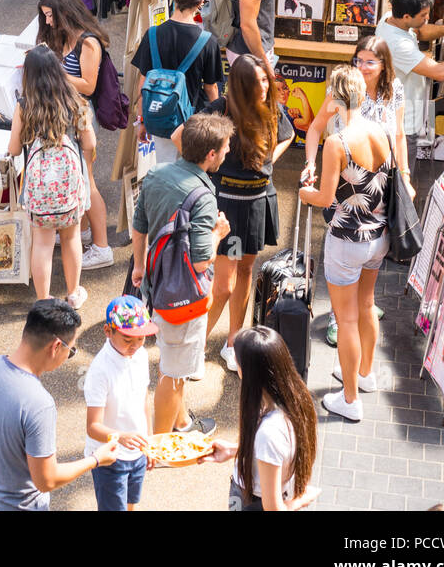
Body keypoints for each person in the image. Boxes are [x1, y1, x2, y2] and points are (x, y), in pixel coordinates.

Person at [0, 298, 117, 511]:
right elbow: (46, 481)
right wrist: (96, 459)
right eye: (72, 350)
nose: (69, 355)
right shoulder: (39, 404)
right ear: (57, 346)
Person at [299, 66, 392, 422]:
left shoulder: (337, 143)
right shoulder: (380, 132)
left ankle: (350, 399)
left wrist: (305, 192)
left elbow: (325, 198)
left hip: (346, 241)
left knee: (346, 320)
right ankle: (364, 374)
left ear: (335, 98)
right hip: (378, 236)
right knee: (367, 306)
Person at [302, 34, 406, 349]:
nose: (361, 66)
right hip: (345, 186)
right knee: (350, 260)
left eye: (369, 61)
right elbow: (316, 128)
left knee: (361, 262)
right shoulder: (341, 91)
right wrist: (311, 163)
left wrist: (406, 176)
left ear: (384, 65)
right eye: (358, 60)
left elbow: (399, 135)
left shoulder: (395, 91)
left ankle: (357, 311)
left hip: (376, 189)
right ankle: (340, 318)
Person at [131, 112, 231, 435]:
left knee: (176, 361)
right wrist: (219, 232)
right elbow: (202, 261)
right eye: (226, 147)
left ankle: (183, 422)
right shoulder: (204, 197)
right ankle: (160, 445)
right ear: (211, 154)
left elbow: (140, 224)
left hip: (157, 283)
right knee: (172, 373)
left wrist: (137, 266)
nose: (228, 152)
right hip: (184, 296)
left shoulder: (157, 174)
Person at [204, 57, 295, 370]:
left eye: (266, 80)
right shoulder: (221, 108)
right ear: (242, 84)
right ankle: (196, 345)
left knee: (245, 271)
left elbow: (289, 135)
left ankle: (233, 341)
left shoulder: (271, 109)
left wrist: (269, 161)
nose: (265, 87)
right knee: (222, 285)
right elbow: (184, 138)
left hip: (256, 202)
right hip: (227, 205)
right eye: (258, 81)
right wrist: (206, 170)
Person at [7, 47, 94, 305]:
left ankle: (43, 300)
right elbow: (89, 141)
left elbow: (13, 149)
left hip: (39, 188)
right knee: (71, 237)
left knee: (42, 244)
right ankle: (74, 293)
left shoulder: (25, 106)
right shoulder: (75, 102)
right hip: (69, 183)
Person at [37, 0, 113, 270]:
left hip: (81, 120)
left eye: (49, 15)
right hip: (69, 118)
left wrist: (52, 72)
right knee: (79, 180)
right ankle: (80, 232)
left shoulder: (88, 43)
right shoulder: (66, 37)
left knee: (87, 182)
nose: (47, 22)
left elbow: (89, 85)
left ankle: (102, 247)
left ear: (64, 13)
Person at [208, 326, 319, 512]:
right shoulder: (296, 400)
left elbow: (273, 508)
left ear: (249, 372)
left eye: (237, 361)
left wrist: (300, 500)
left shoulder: (269, 433)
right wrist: (235, 450)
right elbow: (273, 456)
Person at [374, 0, 444, 173]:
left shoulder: (390, 19)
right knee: (400, 185)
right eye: (424, 16)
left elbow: (421, 31)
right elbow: (441, 73)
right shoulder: (397, 44)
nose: (427, 18)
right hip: (402, 127)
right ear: (406, 16)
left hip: (401, 118)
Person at [132, 0, 223, 163]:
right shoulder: (207, 42)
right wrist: (218, 126)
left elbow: (143, 84)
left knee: (165, 172)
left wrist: (142, 120)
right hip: (192, 124)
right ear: (200, 3)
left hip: (160, 118)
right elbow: (211, 88)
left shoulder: (152, 35)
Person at [84, 295, 156, 512]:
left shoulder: (141, 355)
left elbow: (144, 399)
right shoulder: (100, 371)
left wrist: (151, 442)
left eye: (141, 338)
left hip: (138, 451)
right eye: (127, 339)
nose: (135, 345)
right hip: (110, 457)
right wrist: (121, 437)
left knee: (131, 504)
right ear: (108, 331)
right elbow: (93, 427)